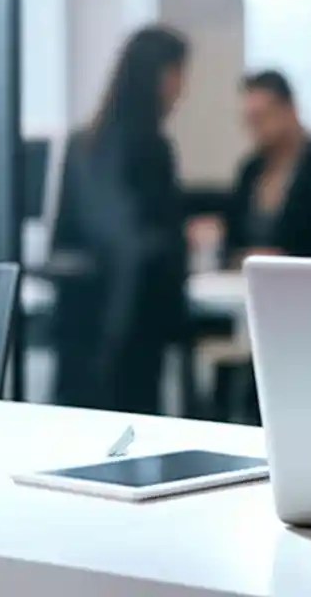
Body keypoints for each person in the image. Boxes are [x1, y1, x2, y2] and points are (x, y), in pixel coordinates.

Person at [51, 25, 190, 415]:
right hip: (134, 328)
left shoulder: (84, 143)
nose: (183, 89)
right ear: (161, 76)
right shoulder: (151, 149)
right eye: (180, 74)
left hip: (81, 325)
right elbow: (150, 242)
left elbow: (68, 234)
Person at [224, 70, 311, 264]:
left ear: (289, 111)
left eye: (262, 117)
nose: (255, 128)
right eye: (250, 120)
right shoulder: (250, 172)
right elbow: (234, 238)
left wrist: (283, 259)